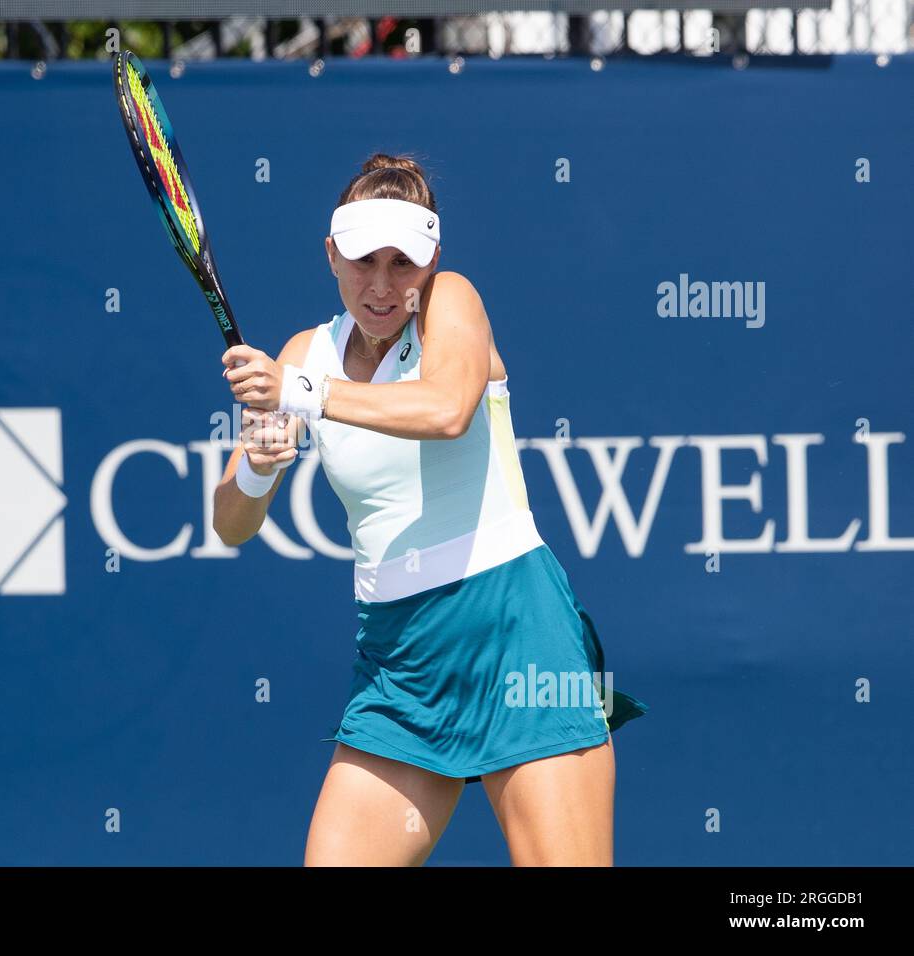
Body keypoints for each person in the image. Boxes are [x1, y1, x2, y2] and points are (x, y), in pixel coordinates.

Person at [212, 153, 647, 866]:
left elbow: (447, 409)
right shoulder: (305, 353)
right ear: (330, 255)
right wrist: (259, 468)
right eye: (362, 262)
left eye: (402, 263)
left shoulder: (453, 303)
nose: (382, 286)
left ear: (433, 259)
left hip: (517, 634)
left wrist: (305, 394)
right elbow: (230, 525)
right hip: (399, 660)